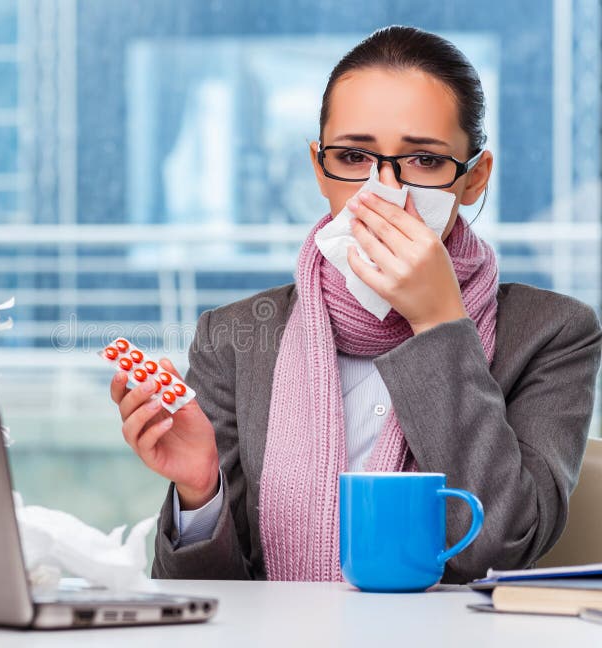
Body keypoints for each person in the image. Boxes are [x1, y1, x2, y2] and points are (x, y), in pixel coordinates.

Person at [109, 25, 602, 583]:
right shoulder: (234, 336)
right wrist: (200, 494)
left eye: (422, 160)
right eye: (353, 155)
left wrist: (439, 323)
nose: (383, 190)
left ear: (473, 177)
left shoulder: (553, 332)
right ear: (320, 168)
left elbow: (499, 548)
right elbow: (217, 601)